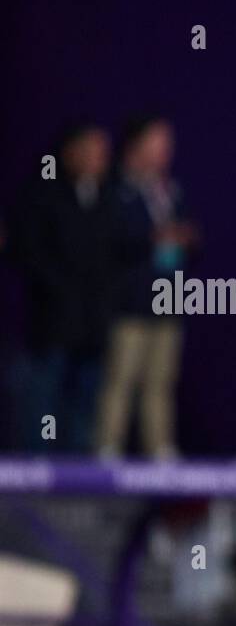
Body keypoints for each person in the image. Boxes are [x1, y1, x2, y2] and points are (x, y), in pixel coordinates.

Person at [10, 124, 115, 453]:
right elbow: (28, 252)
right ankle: (36, 476)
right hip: (52, 323)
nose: (100, 160)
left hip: (92, 326)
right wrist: (62, 291)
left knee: (84, 406)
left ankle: (78, 480)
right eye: (92, 151)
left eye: (103, 153)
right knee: (43, 404)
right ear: (69, 153)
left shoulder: (107, 197)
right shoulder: (43, 193)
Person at [96, 116, 197, 458]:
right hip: (129, 302)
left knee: (161, 382)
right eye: (158, 142)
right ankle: (108, 446)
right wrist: (150, 237)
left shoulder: (169, 190)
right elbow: (108, 240)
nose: (165, 151)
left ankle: (161, 449)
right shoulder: (115, 189)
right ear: (136, 145)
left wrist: (186, 239)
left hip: (167, 299)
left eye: (168, 144)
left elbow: (183, 237)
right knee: (121, 379)